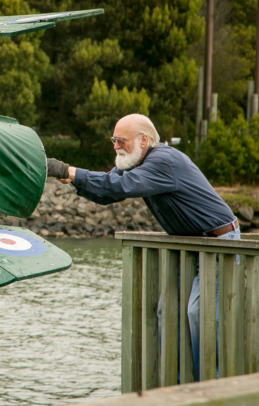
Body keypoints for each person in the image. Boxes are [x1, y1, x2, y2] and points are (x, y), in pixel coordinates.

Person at [46, 113, 239, 380]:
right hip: (191, 244)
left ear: (144, 140)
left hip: (219, 244)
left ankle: (212, 386)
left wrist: (69, 170)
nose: (115, 146)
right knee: (166, 310)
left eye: (121, 141)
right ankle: (180, 384)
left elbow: (121, 185)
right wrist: (72, 178)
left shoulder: (163, 160)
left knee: (199, 313)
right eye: (114, 140)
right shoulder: (136, 163)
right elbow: (107, 192)